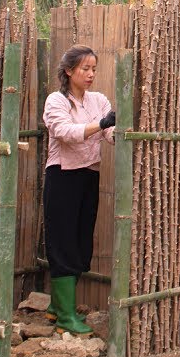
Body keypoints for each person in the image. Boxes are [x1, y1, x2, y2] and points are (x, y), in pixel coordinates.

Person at [42, 44, 116, 335]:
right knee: (63, 240)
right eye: (85, 68)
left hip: (89, 175)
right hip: (62, 176)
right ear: (69, 70)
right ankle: (65, 317)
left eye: (94, 69)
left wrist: (120, 130)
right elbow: (65, 133)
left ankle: (56, 306)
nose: (90, 74)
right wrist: (100, 124)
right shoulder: (56, 101)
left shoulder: (98, 100)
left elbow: (109, 132)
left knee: (81, 239)